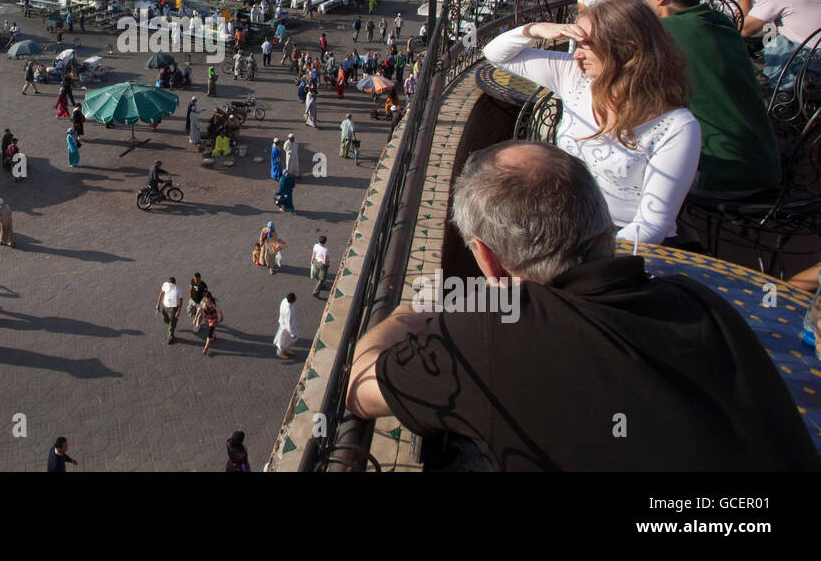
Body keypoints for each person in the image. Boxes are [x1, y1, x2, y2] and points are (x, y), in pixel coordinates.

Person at [345, 140, 821, 471]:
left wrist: (415, 308)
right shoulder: (696, 299)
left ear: (486, 258)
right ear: (603, 221)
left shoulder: (488, 341)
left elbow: (359, 386)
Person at [482, 0, 701, 247]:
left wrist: (586, 255)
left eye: (587, 44)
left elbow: (653, 224)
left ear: (627, 49)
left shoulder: (677, 127)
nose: (576, 54)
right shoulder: (573, 75)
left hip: (620, 236)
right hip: (564, 216)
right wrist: (535, 29)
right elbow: (497, 55)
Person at [641, 0, 781, 194]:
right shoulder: (720, 21)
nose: (641, 1)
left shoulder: (662, 34)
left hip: (722, 171)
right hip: (765, 161)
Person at [156, 276, 182, 345]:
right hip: (165, 307)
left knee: (171, 325)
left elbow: (181, 301)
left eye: (172, 284)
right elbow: (161, 294)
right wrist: (158, 304)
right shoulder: (165, 285)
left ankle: (170, 337)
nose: (171, 285)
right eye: (170, 284)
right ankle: (173, 323)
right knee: (165, 319)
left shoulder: (178, 290)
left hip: (173, 308)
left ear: (174, 284)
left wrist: (178, 311)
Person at [196, 291, 222, 356]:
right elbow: (199, 310)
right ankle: (214, 336)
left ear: (210, 298)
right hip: (207, 319)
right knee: (211, 330)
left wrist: (222, 316)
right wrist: (195, 318)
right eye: (206, 298)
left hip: (214, 319)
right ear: (205, 298)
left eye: (209, 298)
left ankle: (206, 348)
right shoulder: (203, 303)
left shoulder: (213, 303)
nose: (208, 299)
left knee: (209, 333)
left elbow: (219, 310)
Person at [273, 293, 298, 360]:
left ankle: (285, 348)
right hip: (286, 328)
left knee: (285, 340)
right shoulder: (289, 311)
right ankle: (280, 352)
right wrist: (292, 333)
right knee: (282, 340)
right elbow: (288, 323)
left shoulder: (284, 300)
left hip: (283, 323)